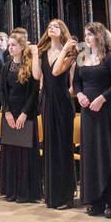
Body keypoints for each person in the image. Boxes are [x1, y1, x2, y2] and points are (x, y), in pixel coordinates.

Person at [72, 22, 111, 219]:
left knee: (107, 153)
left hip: (106, 110)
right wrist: (79, 95)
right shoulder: (83, 56)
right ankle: (94, 200)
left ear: (99, 36)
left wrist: (102, 98)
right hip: (88, 111)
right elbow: (76, 82)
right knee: (91, 154)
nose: (86, 38)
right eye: (85, 35)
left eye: (90, 35)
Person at [36, 19, 79, 210]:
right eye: (50, 26)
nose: (51, 28)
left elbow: (55, 71)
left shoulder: (70, 52)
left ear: (63, 31)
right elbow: (38, 76)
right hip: (47, 100)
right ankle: (51, 194)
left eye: (56, 26)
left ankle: (65, 196)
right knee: (50, 146)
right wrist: (35, 55)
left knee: (62, 147)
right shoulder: (43, 52)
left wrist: (62, 49)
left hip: (62, 101)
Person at [0, 29, 41, 203]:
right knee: (11, 153)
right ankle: (12, 191)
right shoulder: (6, 65)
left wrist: (24, 113)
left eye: (13, 45)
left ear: (22, 46)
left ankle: (25, 193)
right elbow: (1, 91)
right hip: (10, 113)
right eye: (8, 45)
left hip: (26, 113)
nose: (10, 48)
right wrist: (7, 111)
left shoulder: (29, 65)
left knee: (25, 153)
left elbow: (33, 92)